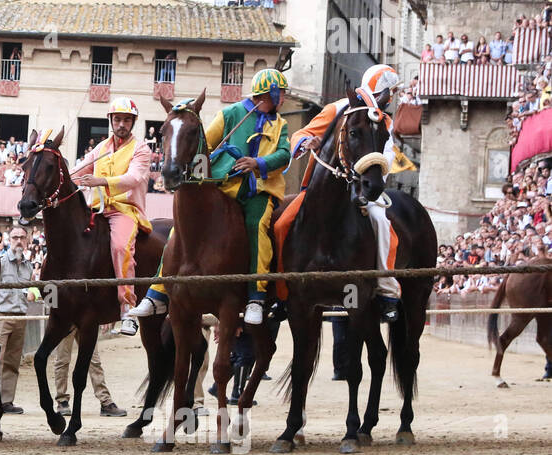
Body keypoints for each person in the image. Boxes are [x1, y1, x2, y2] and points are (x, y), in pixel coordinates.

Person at [131, 68, 292, 326]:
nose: (282, 99)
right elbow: (203, 145)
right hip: (223, 185)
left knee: (257, 226)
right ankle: (157, 292)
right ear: (268, 94)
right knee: (184, 228)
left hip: (258, 191)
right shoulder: (231, 113)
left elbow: (284, 154)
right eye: (280, 93)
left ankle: (256, 295)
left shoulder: (281, 124)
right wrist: (195, 176)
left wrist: (258, 162)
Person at [272, 64, 405, 322]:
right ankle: (282, 292)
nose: (393, 98)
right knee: (281, 225)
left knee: (380, 222)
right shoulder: (337, 108)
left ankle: (387, 290)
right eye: (391, 92)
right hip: (322, 190)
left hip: (364, 190)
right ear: (380, 91)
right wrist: (305, 142)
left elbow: (387, 157)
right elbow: (300, 134)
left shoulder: (384, 121)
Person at [69, 96, 152, 336]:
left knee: (119, 249)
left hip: (125, 210)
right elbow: (77, 172)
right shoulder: (101, 148)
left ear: (133, 122)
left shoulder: (141, 149)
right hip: (96, 212)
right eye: (118, 119)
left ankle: (128, 309)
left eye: (127, 120)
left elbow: (134, 179)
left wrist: (100, 181)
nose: (122, 124)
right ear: (111, 121)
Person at [0, 225, 32, 415]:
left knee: (13, 361)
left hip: (21, 316)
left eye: (22, 237)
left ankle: (6, 401)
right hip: (1, 316)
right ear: (9, 240)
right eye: (15, 237)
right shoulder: (0, 262)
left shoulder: (28, 266)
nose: (19, 241)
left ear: (27, 241)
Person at [51, 330, 124, 416]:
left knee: (94, 361)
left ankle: (105, 401)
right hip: (65, 321)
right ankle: (62, 400)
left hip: (87, 322)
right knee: (62, 360)